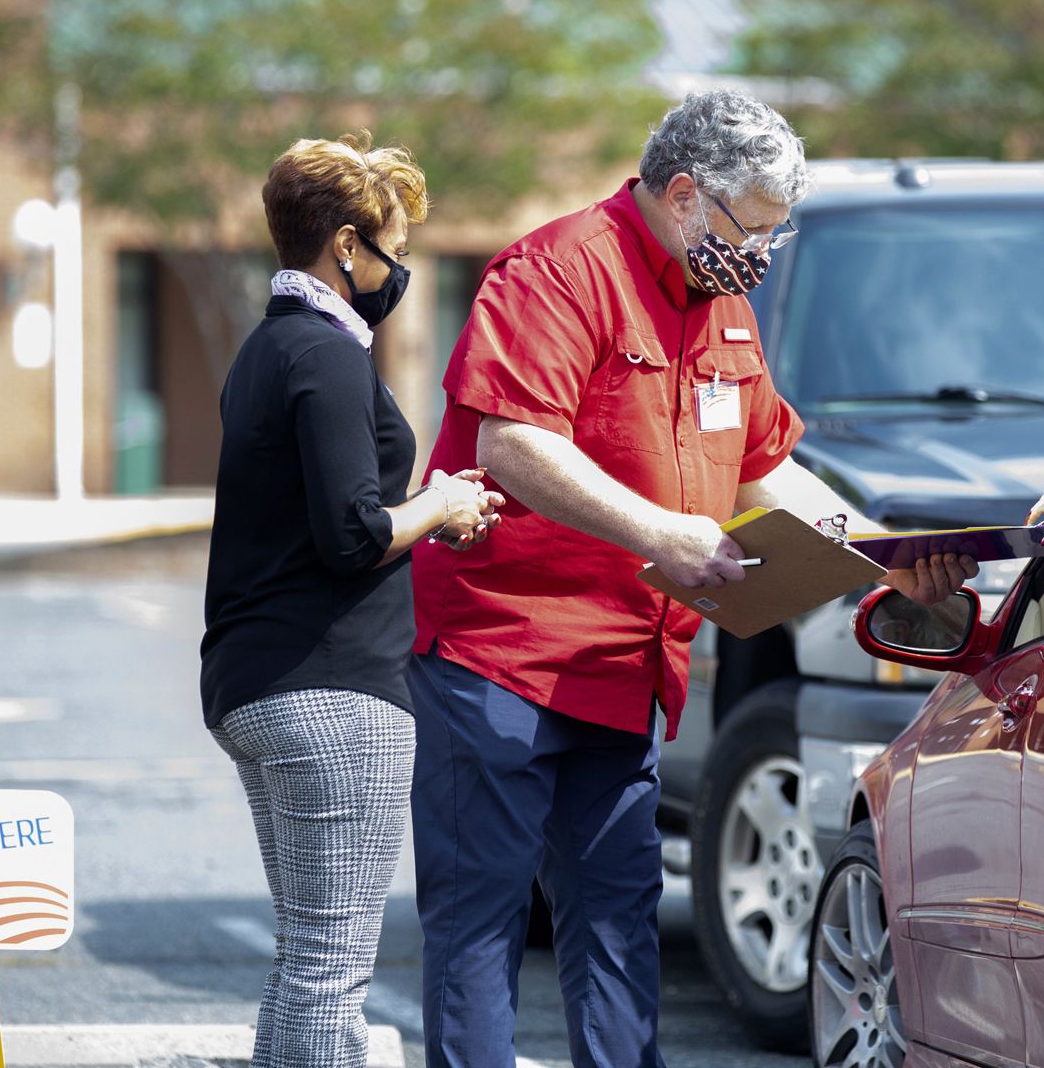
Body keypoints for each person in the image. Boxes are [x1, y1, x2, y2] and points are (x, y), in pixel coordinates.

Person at [408, 90, 976, 1068]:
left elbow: (766, 472)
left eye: (774, 232)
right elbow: (513, 446)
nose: (760, 251)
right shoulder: (558, 271)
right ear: (682, 196)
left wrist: (884, 552)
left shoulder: (726, 309)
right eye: (750, 226)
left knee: (619, 921)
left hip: (629, 661)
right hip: (502, 650)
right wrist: (659, 531)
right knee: (482, 919)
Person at [201, 133, 503, 1068]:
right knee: (330, 975)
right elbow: (352, 535)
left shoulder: (264, 349)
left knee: (305, 964)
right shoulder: (327, 355)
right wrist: (445, 502)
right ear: (344, 243)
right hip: (332, 691)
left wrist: (422, 513)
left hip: (256, 679)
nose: (398, 269)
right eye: (390, 248)